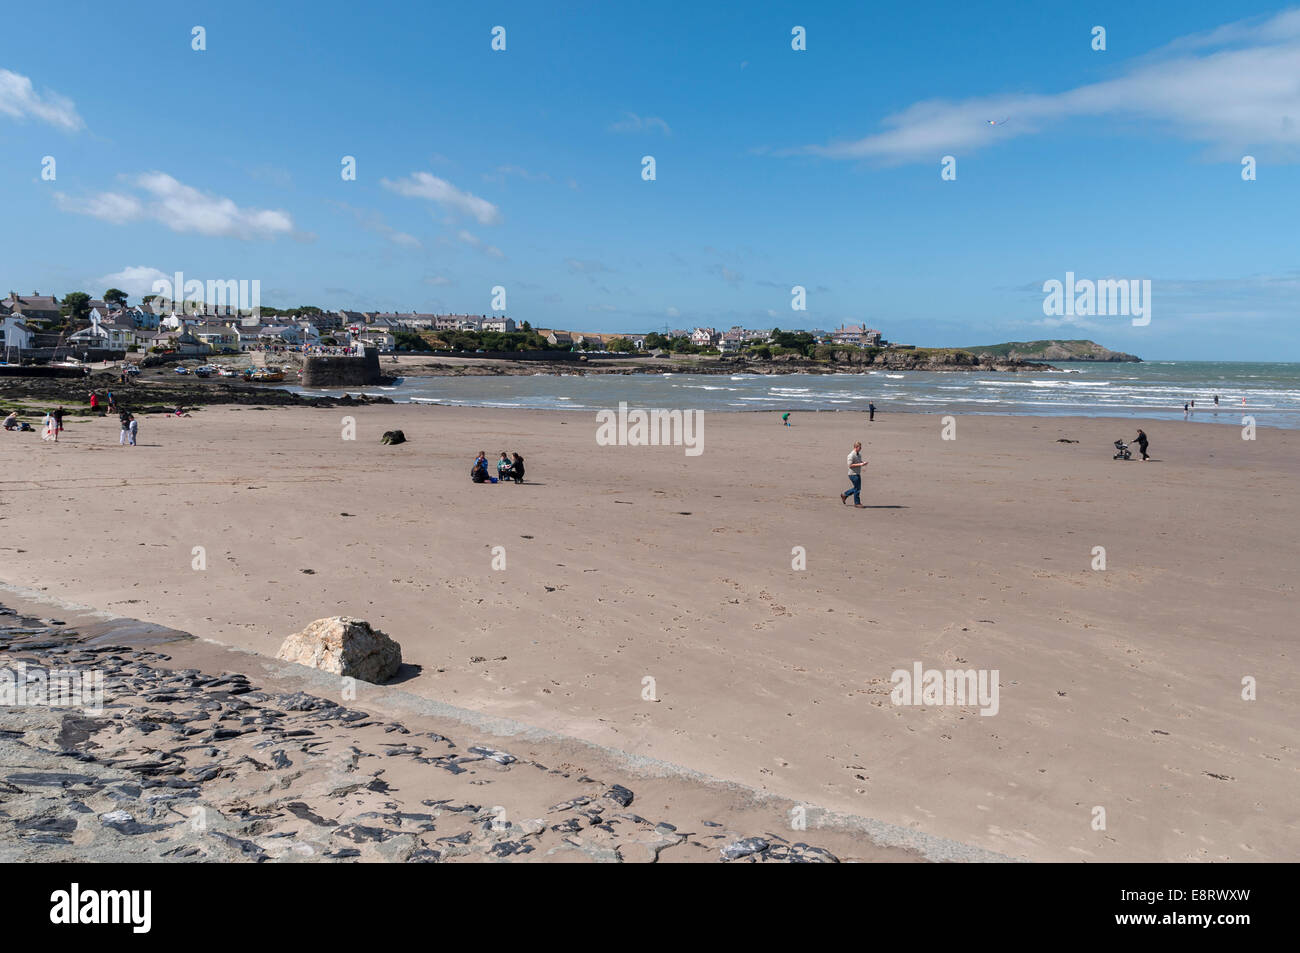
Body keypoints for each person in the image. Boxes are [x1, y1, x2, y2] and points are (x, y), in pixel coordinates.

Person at [840, 441, 866, 507]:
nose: (861, 448)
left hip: (857, 473)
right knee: (857, 489)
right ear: (856, 447)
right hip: (852, 474)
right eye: (860, 447)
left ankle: (845, 495)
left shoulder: (859, 455)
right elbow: (850, 465)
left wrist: (863, 463)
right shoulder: (851, 455)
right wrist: (860, 464)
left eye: (861, 447)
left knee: (857, 488)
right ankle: (857, 503)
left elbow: (859, 462)